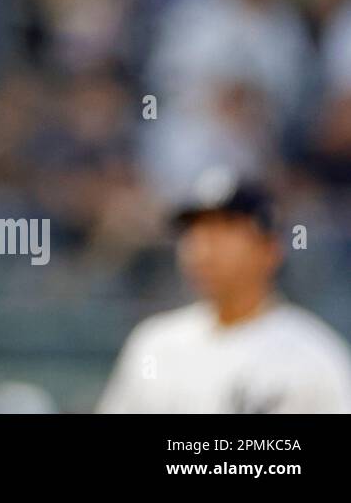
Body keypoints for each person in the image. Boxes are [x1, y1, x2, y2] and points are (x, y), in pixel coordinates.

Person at [98, 168, 351, 413]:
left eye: (223, 231)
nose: (202, 248)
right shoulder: (154, 344)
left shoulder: (316, 358)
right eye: (194, 232)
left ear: (270, 249)